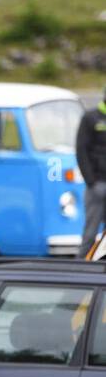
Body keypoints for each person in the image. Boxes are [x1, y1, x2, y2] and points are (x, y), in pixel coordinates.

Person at [76, 87, 106, 256]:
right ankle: (79, 274)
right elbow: (81, 150)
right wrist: (91, 181)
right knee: (90, 235)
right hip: (97, 185)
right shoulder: (91, 118)